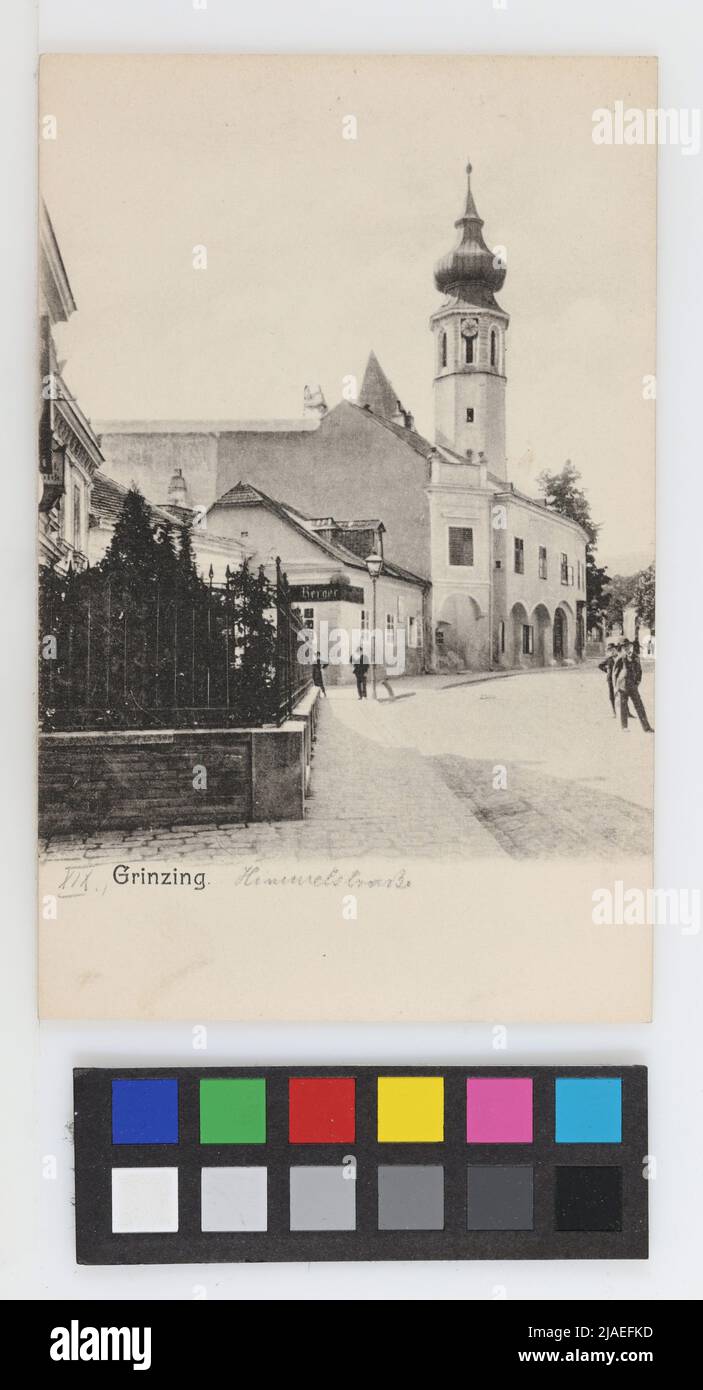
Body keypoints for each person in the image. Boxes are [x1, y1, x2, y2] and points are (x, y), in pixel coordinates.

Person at [612, 639, 653, 732]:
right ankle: (624, 727)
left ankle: (646, 728)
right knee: (623, 706)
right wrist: (615, 687)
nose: (627, 648)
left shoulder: (636, 657)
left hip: (633, 686)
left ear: (631, 647)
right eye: (624, 647)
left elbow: (639, 671)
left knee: (640, 706)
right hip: (622, 686)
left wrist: (638, 682)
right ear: (622, 649)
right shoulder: (620, 658)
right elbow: (615, 674)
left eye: (628, 646)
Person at [598, 642, 618, 717]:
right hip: (610, 679)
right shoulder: (609, 659)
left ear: (615, 649)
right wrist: (607, 671)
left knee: (622, 694)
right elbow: (600, 666)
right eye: (610, 650)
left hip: (618, 679)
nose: (612, 651)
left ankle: (625, 712)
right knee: (612, 695)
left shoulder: (620, 658)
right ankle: (614, 711)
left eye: (613, 649)